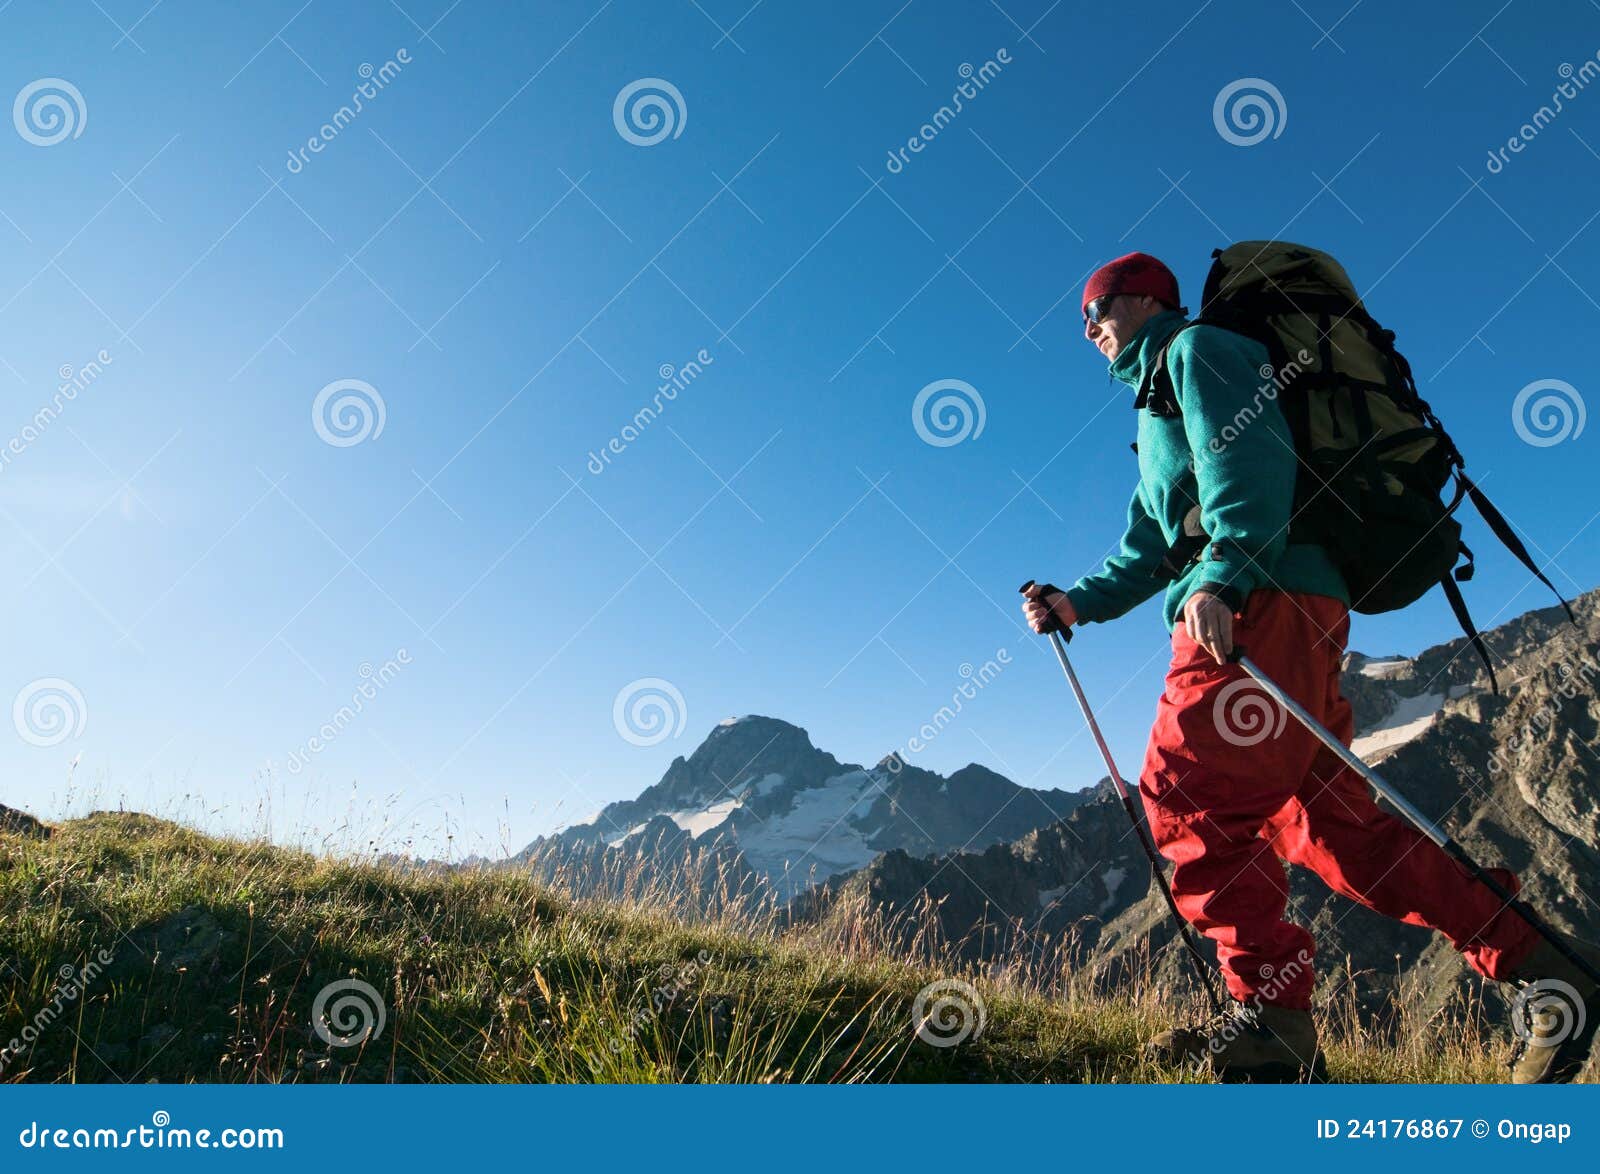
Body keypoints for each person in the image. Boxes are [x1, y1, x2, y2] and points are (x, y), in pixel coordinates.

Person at [1021, 251, 1600, 1083]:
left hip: (1254, 610)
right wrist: (1075, 602)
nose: (1089, 329)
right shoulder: (1156, 402)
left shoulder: (1198, 351)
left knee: (1189, 799)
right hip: (1291, 608)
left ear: (1146, 299)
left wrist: (1223, 575)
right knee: (1331, 831)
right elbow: (1152, 541)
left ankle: (1270, 1026)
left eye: (1097, 309)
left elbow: (1252, 465)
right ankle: (1547, 972)